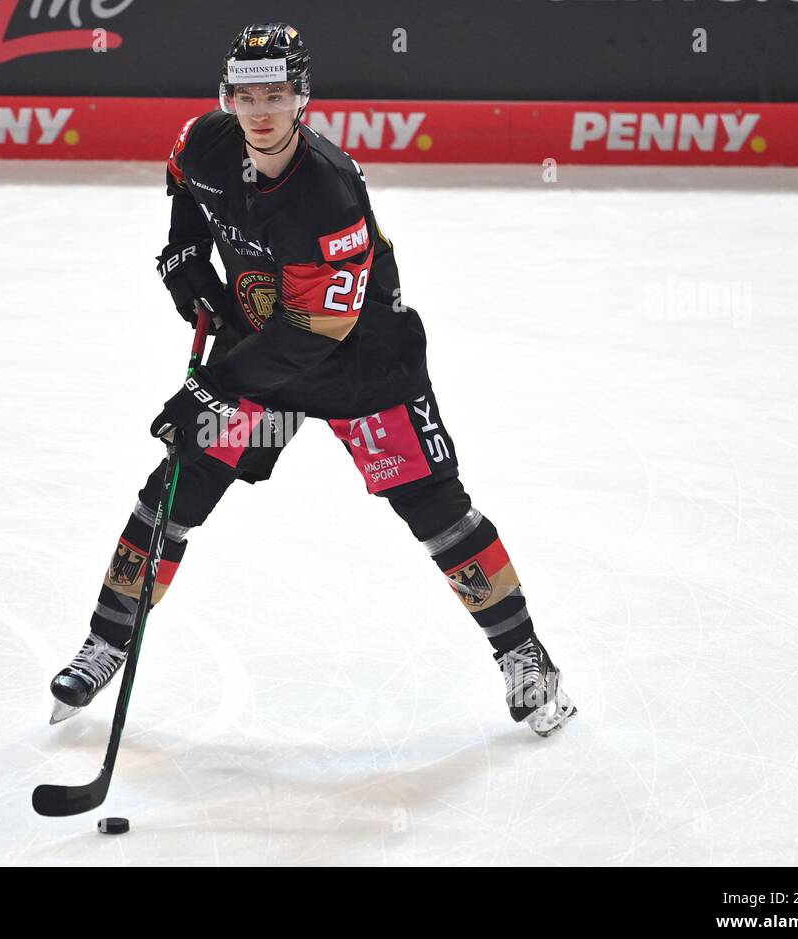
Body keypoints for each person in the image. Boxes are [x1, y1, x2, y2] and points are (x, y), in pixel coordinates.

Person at [49, 22, 577, 737]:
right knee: (175, 488)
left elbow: (314, 334)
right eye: (245, 95)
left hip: (361, 368)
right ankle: (107, 642)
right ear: (226, 97)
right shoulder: (205, 141)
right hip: (261, 355)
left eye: (275, 94)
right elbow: (186, 189)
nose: (259, 111)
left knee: (435, 511)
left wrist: (209, 391)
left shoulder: (327, 194)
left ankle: (527, 659)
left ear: (302, 98)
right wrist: (184, 262)